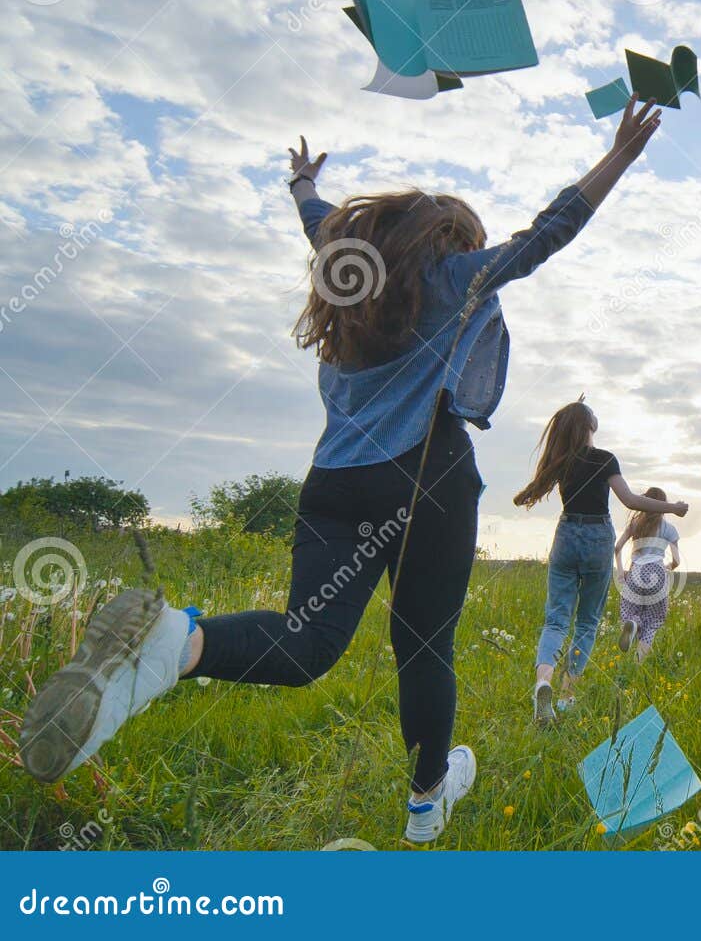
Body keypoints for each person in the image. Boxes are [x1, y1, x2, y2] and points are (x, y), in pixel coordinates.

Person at [17, 99, 665, 845]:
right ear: (449, 241)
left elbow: (319, 222)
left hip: (333, 485)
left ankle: (173, 643)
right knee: (424, 645)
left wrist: (299, 182)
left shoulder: (349, 280)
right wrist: (619, 155)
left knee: (308, 641)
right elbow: (548, 233)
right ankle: (427, 803)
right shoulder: (453, 278)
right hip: (427, 479)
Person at [514, 401, 688, 720]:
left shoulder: (561, 460)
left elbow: (531, 491)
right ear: (589, 424)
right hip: (597, 538)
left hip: (566, 534)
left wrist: (524, 495)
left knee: (556, 620)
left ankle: (543, 681)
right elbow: (631, 499)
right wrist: (672, 508)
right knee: (587, 621)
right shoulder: (605, 459)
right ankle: (566, 695)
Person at [613, 487, 683, 661]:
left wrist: (621, 573)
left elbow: (617, 547)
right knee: (653, 621)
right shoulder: (670, 529)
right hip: (657, 573)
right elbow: (676, 561)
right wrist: (668, 568)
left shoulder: (635, 524)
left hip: (635, 572)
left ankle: (634, 623)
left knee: (630, 611)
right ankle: (637, 663)